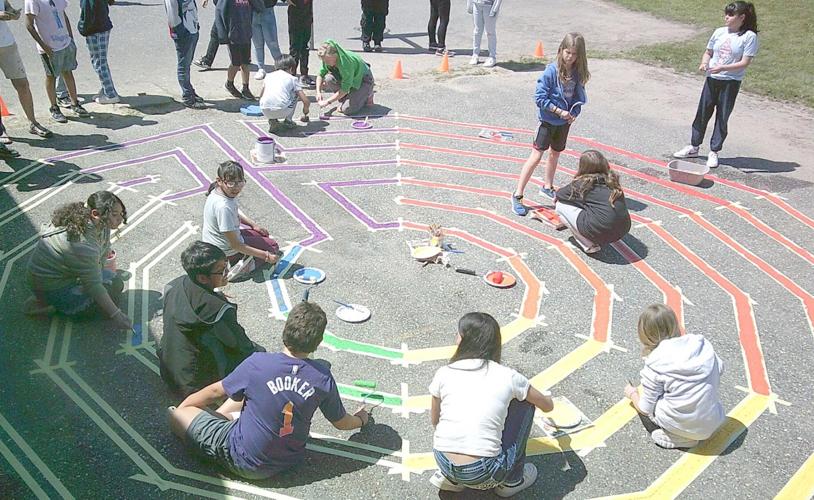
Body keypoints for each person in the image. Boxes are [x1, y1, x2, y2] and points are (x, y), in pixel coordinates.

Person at [168, 301, 370, 480]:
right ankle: (220, 419)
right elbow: (342, 423)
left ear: (286, 332)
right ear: (317, 342)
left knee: (179, 415)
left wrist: (183, 408)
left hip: (243, 459)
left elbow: (214, 392)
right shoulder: (322, 377)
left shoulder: (258, 364)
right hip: (289, 459)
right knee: (249, 392)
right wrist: (361, 419)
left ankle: (212, 425)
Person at [429, 312, 555, 496]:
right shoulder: (508, 376)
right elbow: (547, 406)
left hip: (442, 460)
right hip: (484, 473)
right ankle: (511, 482)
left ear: (462, 340)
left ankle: (451, 479)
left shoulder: (444, 372)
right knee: (525, 403)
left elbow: (435, 421)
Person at [158, 241, 264, 399]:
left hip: (168, 369)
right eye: (221, 271)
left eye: (226, 265)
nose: (227, 272)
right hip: (195, 386)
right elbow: (239, 343)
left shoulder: (174, 285)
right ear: (202, 278)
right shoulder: (218, 309)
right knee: (257, 354)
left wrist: (215, 295)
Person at [24, 191, 132, 331]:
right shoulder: (82, 243)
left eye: (121, 213)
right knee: (108, 299)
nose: (120, 219)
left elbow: (103, 252)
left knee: (115, 283)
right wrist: (117, 315)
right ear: (95, 213)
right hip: (49, 287)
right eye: (115, 215)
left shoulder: (95, 223)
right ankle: (50, 305)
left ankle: (51, 300)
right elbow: (94, 285)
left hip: (61, 277)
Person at [624, 304, 725, 449]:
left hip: (685, 425)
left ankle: (679, 437)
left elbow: (645, 408)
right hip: (714, 419)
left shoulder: (655, 363)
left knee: (655, 405)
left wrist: (632, 393)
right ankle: (693, 428)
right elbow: (720, 368)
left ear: (645, 334)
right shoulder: (701, 344)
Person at [511, 32, 589, 216]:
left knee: (555, 154)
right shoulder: (551, 71)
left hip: (564, 123)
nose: (570, 57)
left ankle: (547, 186)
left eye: (574, 54)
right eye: (567, 52)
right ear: (561, 50)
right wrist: (558, 111)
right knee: (536, 156)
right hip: (547, 121)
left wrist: (574, 113)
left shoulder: (577, 74)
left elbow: (579, 97)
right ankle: (517, 194)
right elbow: (539, 97)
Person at [673, 1, 759, 169]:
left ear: (742, 17)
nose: (726, 17)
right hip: (712, 79)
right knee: (702, 113)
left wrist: (723, 67)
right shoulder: (719, 32)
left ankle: (714, 151)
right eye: (726, 13)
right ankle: (694, 146)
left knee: (722, 117)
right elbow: (708, 52)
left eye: (731, 15)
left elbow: (744, 62)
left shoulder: (749, 37)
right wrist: (704, 63)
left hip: (730, 82)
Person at [201, 160, 279, 280]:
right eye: (231, 183)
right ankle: (239, 267)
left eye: (240, 182)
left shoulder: (218, 190)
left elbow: (234, 214)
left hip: (217, 241)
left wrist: (253, 225)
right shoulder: (223, 207)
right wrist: (266, 255)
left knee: (261, 234)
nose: (236, 188)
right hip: (225, 250)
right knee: (273, 247)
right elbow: (236, 245)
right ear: (219, 181)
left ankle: (242, 258)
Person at [24, 0, 91, 123]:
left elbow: (63, 15)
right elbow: (29, 25)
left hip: (65, 43)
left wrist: (70, 38)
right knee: (51, 76)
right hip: (50, 48)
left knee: (68, 72)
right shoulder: (32, 1)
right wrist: (45, 47)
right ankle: (54, 107)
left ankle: (75, 103)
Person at [553, 150, 630, 254]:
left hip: (602, 232)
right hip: (624, 229)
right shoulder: (612, 179)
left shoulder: (584, 183)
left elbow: (560, 195)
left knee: (560, 205)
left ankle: (589, 245)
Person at [0, 1, 52, 139]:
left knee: (23, 84)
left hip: (6, 43)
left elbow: (5, 5)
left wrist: (12, 12)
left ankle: (33, 123)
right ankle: (0, 131)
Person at [315, 39, 374, 116]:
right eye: (324, 61)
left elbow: (345, 89)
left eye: (327, 61)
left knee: (347, 110)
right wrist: (318, 92)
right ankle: (348, 98)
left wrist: (328, 101)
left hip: (364, 80)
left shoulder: (346, 64)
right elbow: (320, 74)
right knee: (329, 78)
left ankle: (367, 94)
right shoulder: (328, 58)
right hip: (350, 79)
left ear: (335, 55)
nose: (326, 63)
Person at [165, 0, 206, 109]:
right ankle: (188, 97)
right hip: (184, 32)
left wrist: (196, 25)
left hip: (192, 29)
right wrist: (181, 31)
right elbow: (172, 13)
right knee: (183, 66)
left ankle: (190, 91)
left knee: (187, 64)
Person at [78, 0, 120, 104]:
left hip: (94, 30)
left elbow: (87, 12)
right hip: (103, 25)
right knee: (101, 61)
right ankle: (107, 88)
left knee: (99, 63)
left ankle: (110, 94)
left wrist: (82, 28)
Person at [215, 0, 259, 100]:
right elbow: (219, 12)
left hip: (246, 33)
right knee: (236, 63)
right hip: (233, 35)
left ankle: (245, 88)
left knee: (246, 62)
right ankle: (229, 83)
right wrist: (222, 35)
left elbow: (259, 7)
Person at [259, 54, 310, 133]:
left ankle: (273, 120)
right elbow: (305, 101)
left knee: (271, 95)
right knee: (296, 93)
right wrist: (305, 111)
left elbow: (261, 95)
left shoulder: (268, 76)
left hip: (264, 110)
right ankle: (288, 121)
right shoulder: (293, 79)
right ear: (291, 69)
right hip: (282, 110)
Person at [251, 0, 282, 80]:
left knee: (272, 43)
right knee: (257, 44)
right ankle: (260, 68)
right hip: (252, 11)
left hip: (267, 10)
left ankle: (281, 66)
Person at [467, 0, 501, 67]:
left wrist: (495, 8)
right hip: (476, 4)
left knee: (490, 32)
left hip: (489, 5)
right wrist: (469, 4)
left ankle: (492, 56)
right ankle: (475, 54)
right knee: (477, 31)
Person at [287, 0, 313, 86]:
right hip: (295, 14)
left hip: (307, 14)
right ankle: (292, 76)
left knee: (305, 47)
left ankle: (304, 75)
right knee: (295, 48)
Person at [192, 0, 222, 71]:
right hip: (227, 7)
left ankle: (207, 60)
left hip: (227, 8)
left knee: (215, 34)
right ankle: (242, 59)